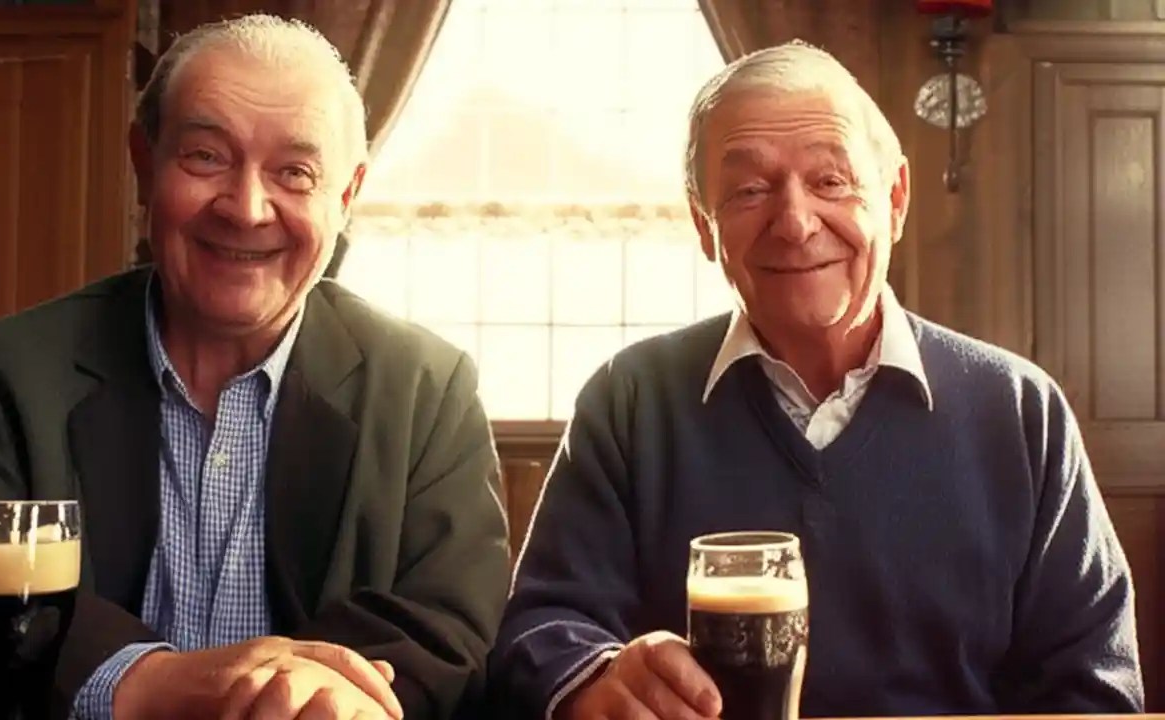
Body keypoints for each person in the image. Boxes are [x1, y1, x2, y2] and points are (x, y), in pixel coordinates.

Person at [488, 41, 1144, 719]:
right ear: (702, 224)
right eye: (749, 190)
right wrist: (597, 677)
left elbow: (1094, 686)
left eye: (831, 181)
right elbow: (540, 632)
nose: (795, 223)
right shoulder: (630, 400)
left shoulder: (1018, 410)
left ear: (894, 199)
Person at [0, 14, 510, 720]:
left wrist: (294, 699)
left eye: (294, 173)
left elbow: (452, 628)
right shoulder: (5, 375)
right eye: (206, 157)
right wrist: (141, 681)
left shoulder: (428, 389)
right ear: (142, 162)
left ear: (346, 196)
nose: (246, 209)